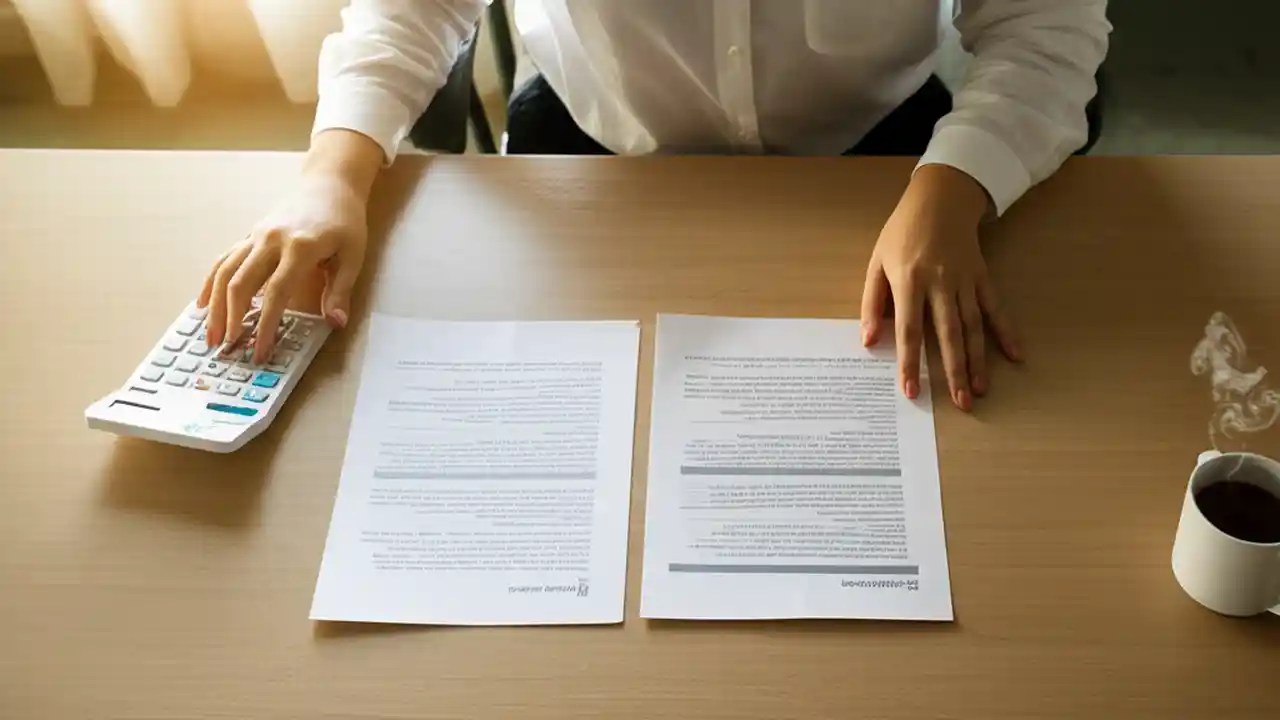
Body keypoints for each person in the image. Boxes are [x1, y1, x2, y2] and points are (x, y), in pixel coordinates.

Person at [197, 0, 1110, 411]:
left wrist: (955, 190)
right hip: (594, 149)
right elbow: (412, 7)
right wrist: (334, 171)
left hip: (876, 152)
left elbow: (1046, 26)